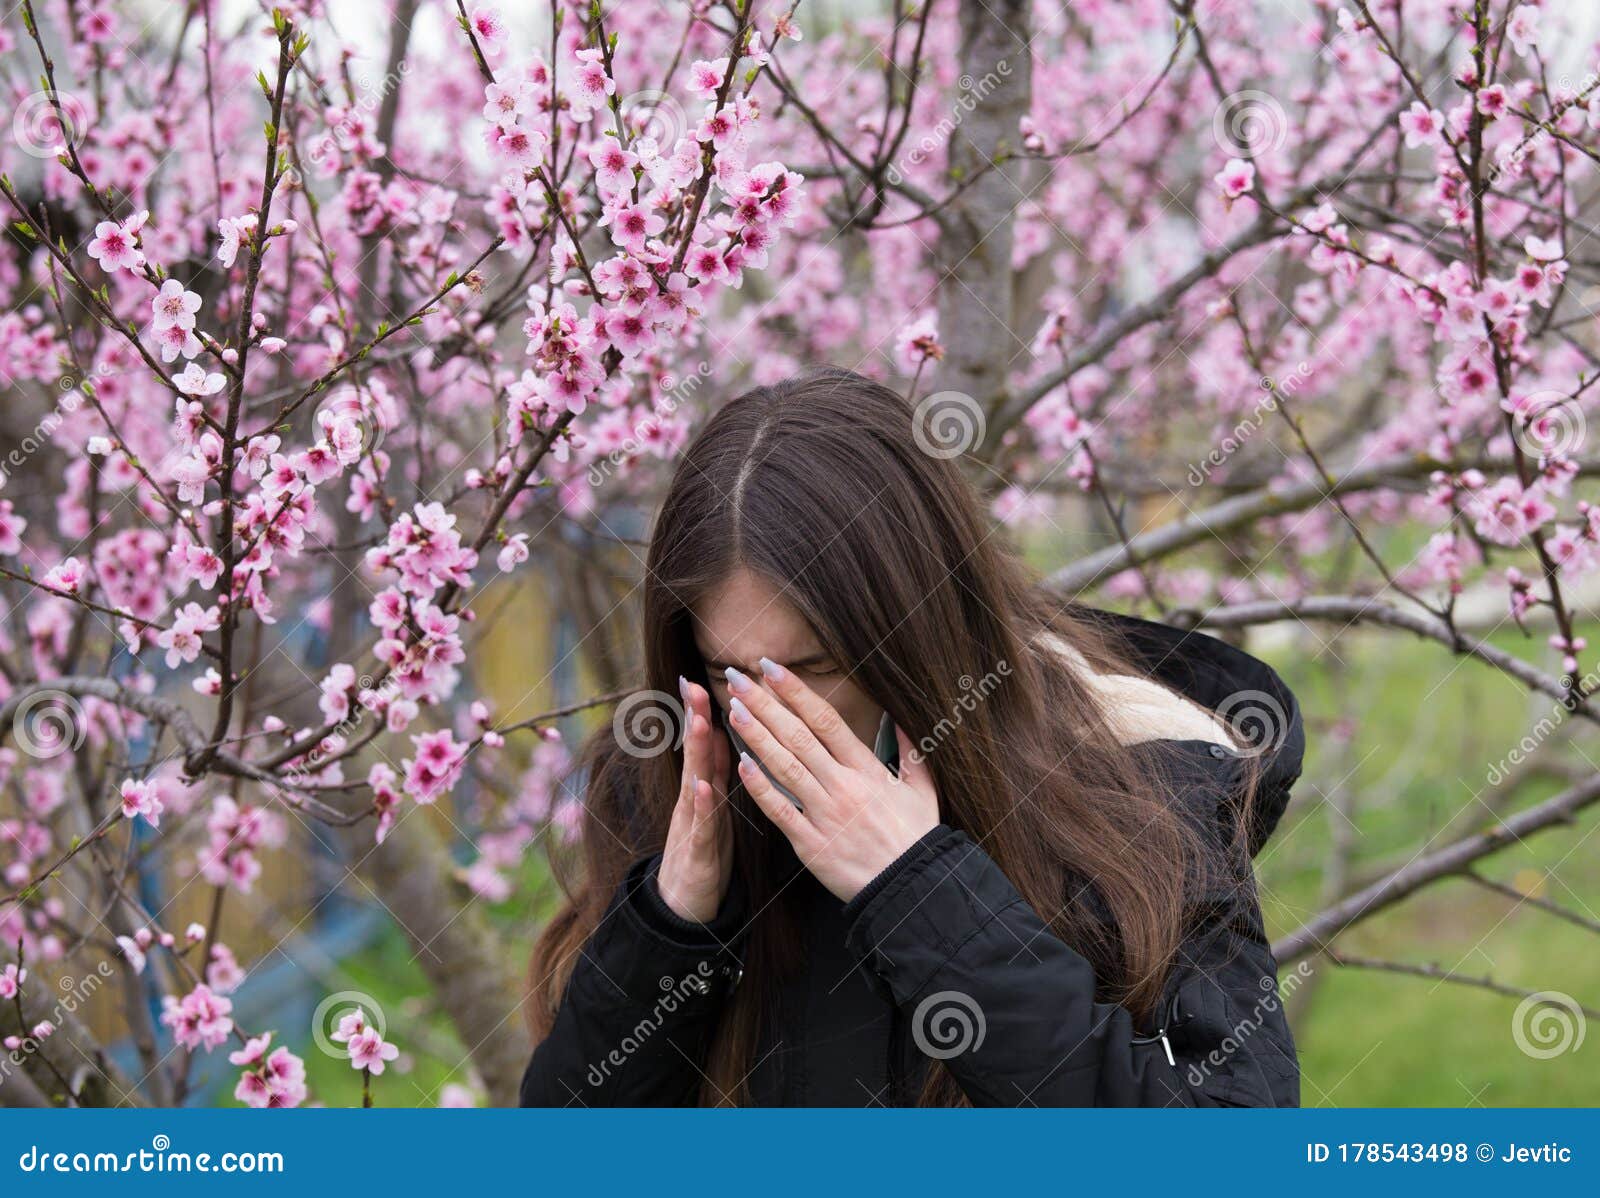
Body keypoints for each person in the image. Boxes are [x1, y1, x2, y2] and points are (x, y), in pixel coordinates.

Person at [519, 367, 1303, 1107]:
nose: (768, 716)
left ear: (915, 637)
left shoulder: (1139, 774)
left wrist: (922, 893)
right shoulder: (678, 779)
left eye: (812, 667)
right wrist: (670, 927)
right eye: (728, 672)